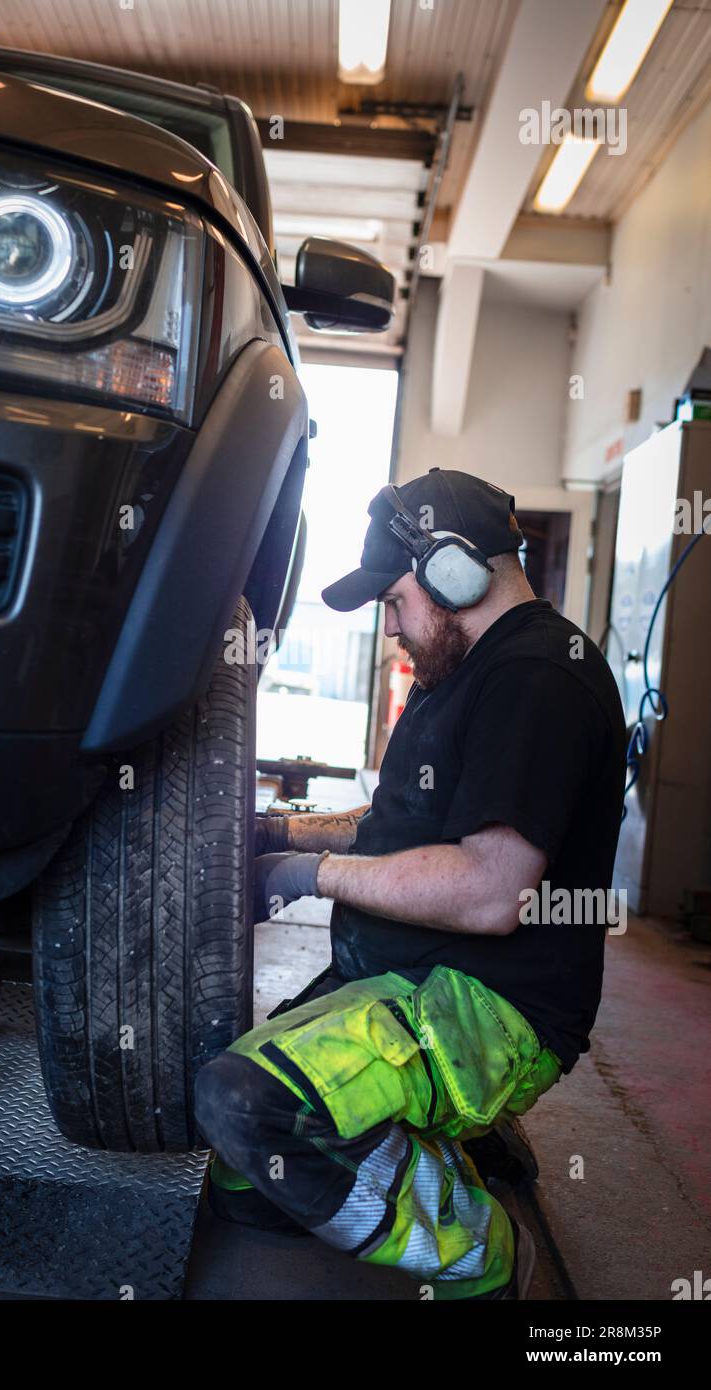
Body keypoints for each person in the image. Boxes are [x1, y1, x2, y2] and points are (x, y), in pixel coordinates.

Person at [195, 467, 626, 1300]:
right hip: (401, 972)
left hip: (485, 1002)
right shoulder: (458, 676)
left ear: (452, 571)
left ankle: (479, 1255)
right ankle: (447, 1146)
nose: (391, 626)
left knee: (247, 1105)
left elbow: (490, 890)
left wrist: (308, 876)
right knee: (246, 1180)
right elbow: (395, 826)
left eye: (394, 601)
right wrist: (277, 833)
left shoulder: (537, 680)